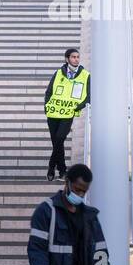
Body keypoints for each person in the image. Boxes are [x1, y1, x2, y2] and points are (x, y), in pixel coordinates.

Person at [43, 48, 90, 181]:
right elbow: (49, 91)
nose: (76, 59)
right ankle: (62, 170)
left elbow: (89, 96)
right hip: (53, 113)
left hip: (68, 113)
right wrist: (46, 107)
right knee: (57, 143)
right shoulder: (58, 73)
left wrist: (77, 106)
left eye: (78, 57)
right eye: (73, 57)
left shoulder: (85, 75)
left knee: (59, 139)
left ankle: (51, 167)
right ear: (67, 59)